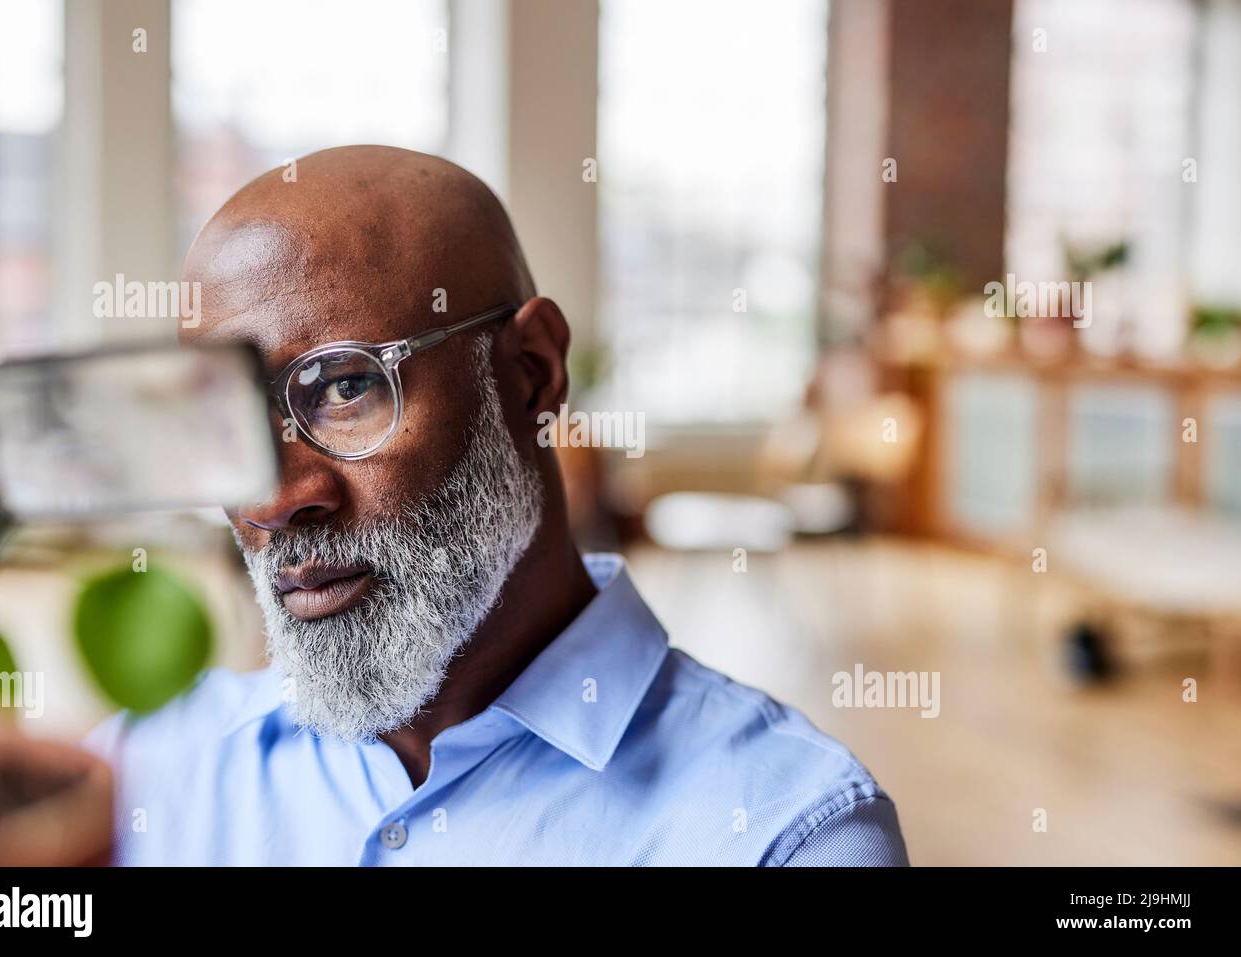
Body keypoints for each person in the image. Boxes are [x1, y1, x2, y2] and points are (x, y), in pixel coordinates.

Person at [89, 146, 908, 866]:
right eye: (224, 421)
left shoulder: (785, 836)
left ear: (531, 373)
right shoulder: (135, 777)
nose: (271, 500)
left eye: (346, 387)